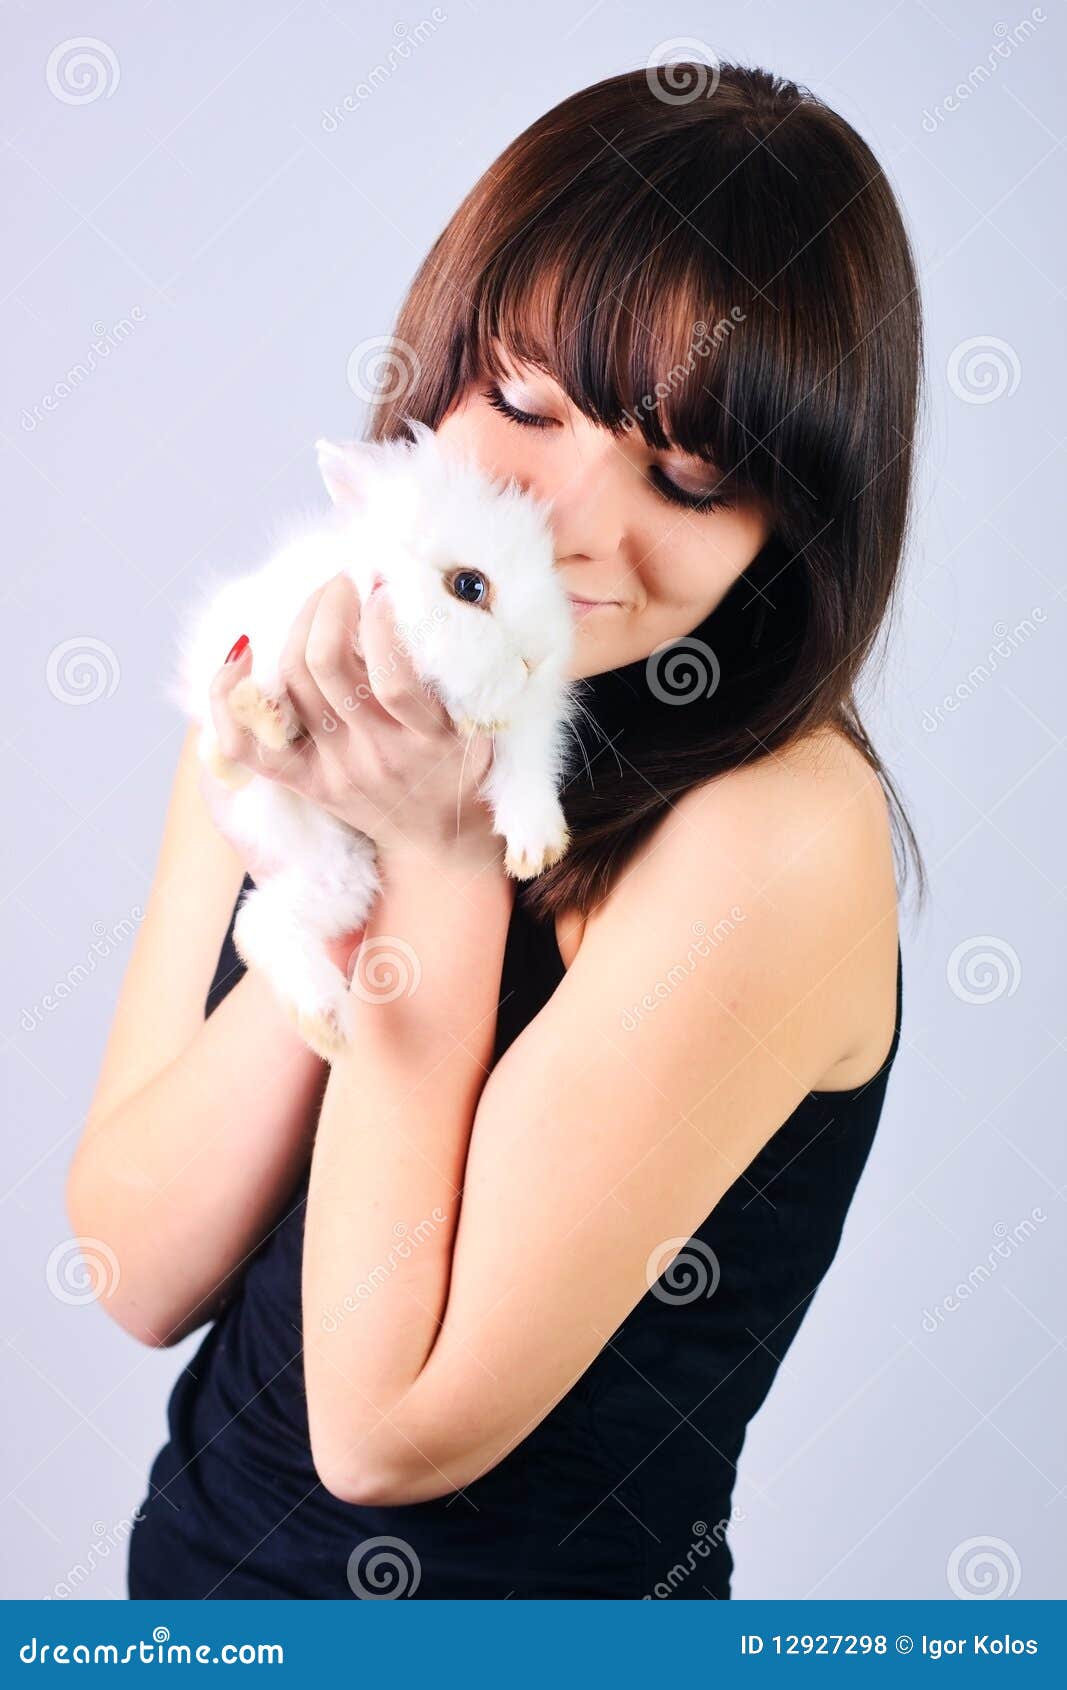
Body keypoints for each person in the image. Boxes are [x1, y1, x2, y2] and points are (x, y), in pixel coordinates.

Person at [68, 61, 921, 1600]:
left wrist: (445, 856)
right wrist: (330, 864)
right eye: (523, 402)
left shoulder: (778, 835)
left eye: (685, 473)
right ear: (434, 376)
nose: (573, 523)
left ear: (790, 520)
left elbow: (387, 1434)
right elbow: (135, 1262)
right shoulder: (318, 666)